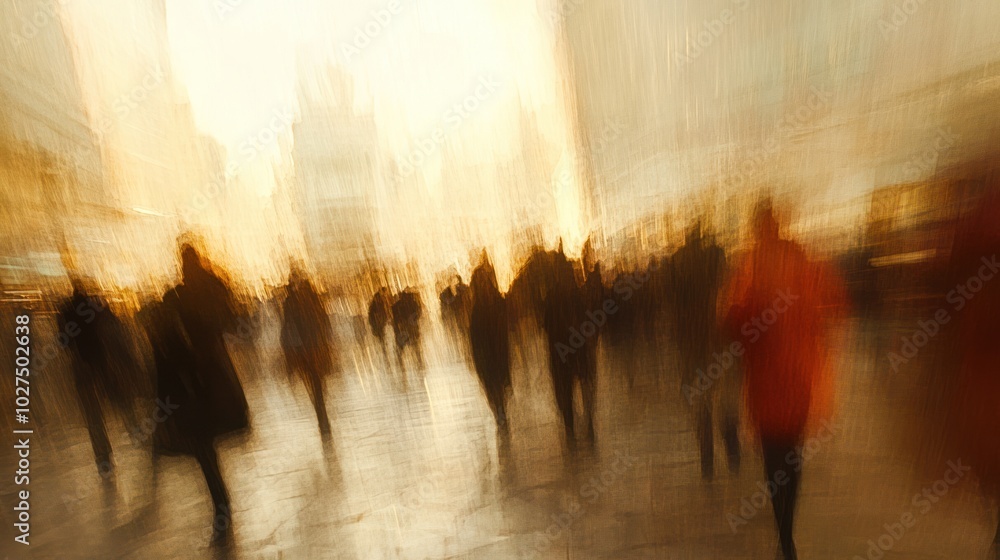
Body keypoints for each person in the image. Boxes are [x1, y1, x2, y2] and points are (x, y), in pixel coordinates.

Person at [722, 201, 846, 560]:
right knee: (792, 457)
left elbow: (734, 323)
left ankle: (784, 534)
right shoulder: (798, 257)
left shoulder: (750, 264)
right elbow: (832, 305)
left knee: (774, 460)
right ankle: (787, 527)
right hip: (795, 383)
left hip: (767, 387)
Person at [148, 242, 250, 544]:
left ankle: (220, 503)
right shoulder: (203, 290)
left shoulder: (183, 295)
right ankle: (220, 501)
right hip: (210, 376)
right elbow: (234, 321)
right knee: (204, 440)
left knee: (202, 442)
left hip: (194, 379)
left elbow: (165, 338)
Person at [670, 221, 738, 480]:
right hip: (717, 341)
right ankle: (732, 456)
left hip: (694, 345)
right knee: (724, 400)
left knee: (703, 405)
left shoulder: (679, 262)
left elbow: (672, 304)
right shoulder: (715, 256)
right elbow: (728, 291)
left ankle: (708, 463)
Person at [58, 278, 116, 476]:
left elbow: (63, 341)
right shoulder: (94, 306)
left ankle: (102, 454)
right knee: (109, 405)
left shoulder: (65, 310)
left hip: (81, 365)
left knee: (92, 413)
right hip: (99, 362)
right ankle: (108, 448)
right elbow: (108, 330)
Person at [543, 244, 594, 450]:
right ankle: (582, 429)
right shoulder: (574, 295)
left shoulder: (557, 296)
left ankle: (575, 432)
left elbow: (546, 327)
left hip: (565, 353)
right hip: (571, 352)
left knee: (569, 394)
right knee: (577, 391)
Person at [281, 262, 334, 435]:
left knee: (314, 381)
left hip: (308, 346)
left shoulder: (298, 300)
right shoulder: (308, 298)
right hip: (308, 346)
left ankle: (321, 414)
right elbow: (322, 320)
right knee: (315, 381)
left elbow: (288, 325)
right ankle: (322, 414)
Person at [469, 253, 512, 433]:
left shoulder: (493, 304)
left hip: (497, 355)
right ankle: (499, 415)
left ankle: (501, 414)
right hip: (488, 358)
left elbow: (505, 328)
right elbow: (475, 340)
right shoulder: (478, 311)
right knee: (494, 390)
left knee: (499, 389)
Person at [392, 288, 425, 375]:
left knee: (402, 350)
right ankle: (419, 365)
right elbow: (418, 314)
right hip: (410, 330)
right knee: (415, 348)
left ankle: (402, 368)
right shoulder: (412, 304)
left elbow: (395, 320)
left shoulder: (396, 306)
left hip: (403, 331)